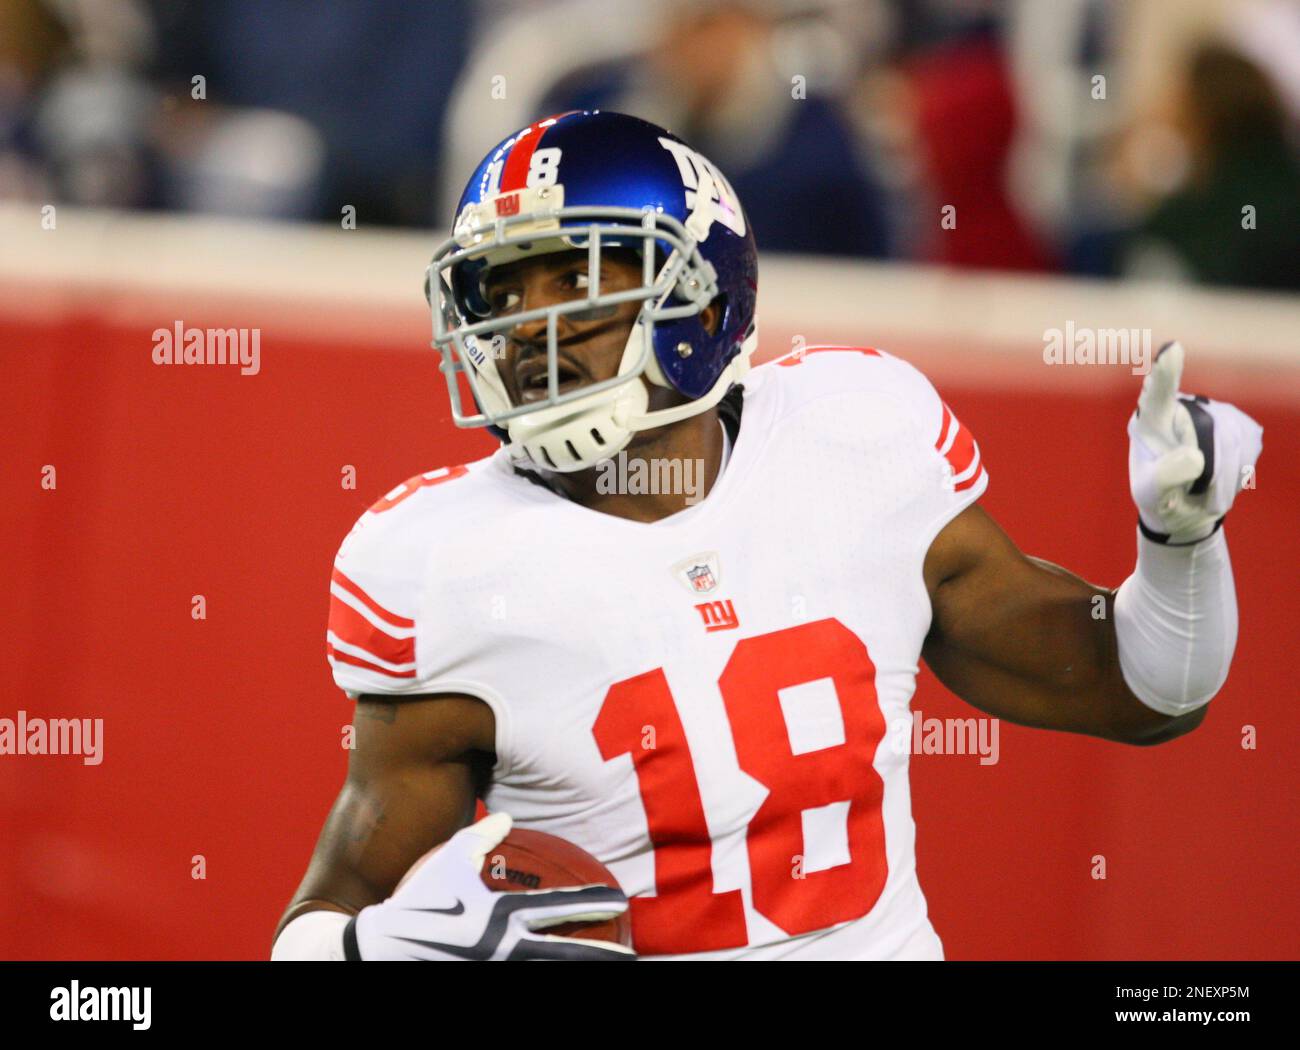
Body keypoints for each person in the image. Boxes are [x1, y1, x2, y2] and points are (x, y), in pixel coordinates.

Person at [271, 111, 1262, 961]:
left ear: (700, 290)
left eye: (573, 279)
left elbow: (1146, 694)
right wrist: (375, 950)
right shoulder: (442, 564)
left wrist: (1178, 542)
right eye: (501, 292)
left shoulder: (852, 433)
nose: (529, 327)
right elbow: (328, 910)